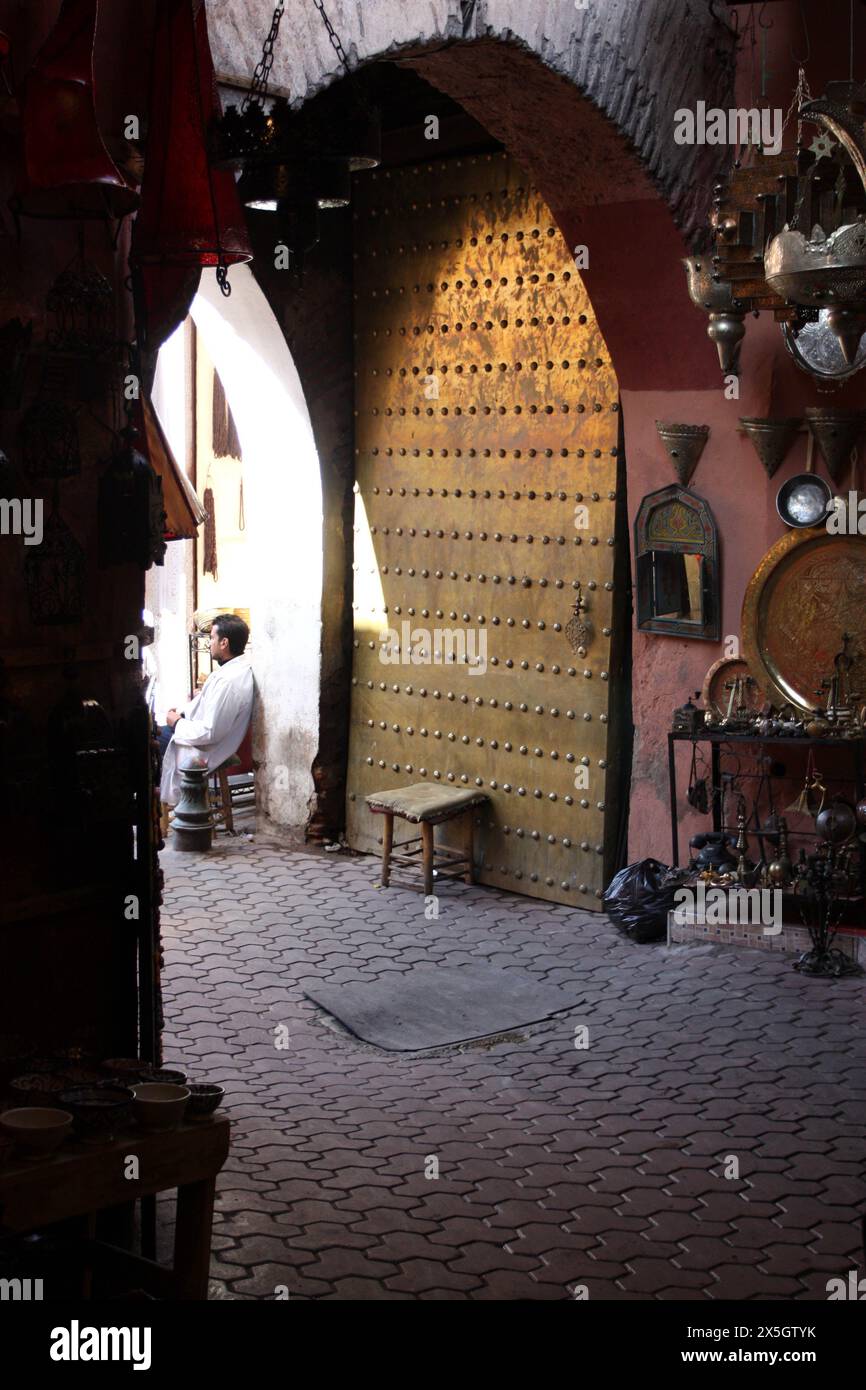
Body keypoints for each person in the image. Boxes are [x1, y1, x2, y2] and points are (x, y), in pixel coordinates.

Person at [159, 614, 254, 807]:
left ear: (224, 643)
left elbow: (209, 732)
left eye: (212, 638)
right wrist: (181, 713)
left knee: (149, 745)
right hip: (197, 734)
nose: (209, 643)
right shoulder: (231, 670)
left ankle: (153, 803)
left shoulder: (229, 682)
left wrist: (177, 722)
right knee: (156, 732)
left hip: (206, 748)